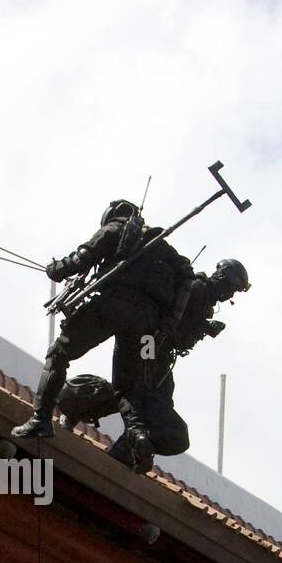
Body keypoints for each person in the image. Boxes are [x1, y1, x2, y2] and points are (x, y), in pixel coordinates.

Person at [12, 199, 194, 472]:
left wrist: (57, 269)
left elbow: (83, 258)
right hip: (147, 325)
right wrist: (168, 323)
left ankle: (41, 418)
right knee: (130, 387)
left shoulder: (119, 228)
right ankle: (139, 437)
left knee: (60, 352)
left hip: (113, 305)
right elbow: (188, 277)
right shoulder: (166, 251)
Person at [55, 257, 250, 461]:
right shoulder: (196, 289)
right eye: (233, 287)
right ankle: (79, 406)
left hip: (158, 355)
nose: (231, 294)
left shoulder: (203, 296)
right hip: (148, 348)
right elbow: (165, 320)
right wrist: (151, 354)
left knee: (149, 404)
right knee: (138, 398)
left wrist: (204, 328)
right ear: (223, 278)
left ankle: (125, 446)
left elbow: (180, 325)